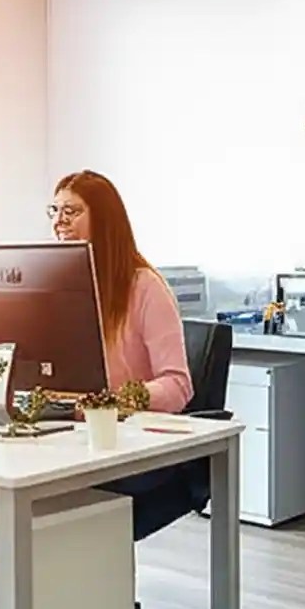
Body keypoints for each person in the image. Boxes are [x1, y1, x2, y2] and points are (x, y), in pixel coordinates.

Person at [50, 170, 195, 540]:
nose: (59, 221)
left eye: (71, 211)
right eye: (55, 211)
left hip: (129, 444)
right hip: (76, 436)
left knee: (55, 512)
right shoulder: (62, 286)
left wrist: (113, 402)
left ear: (103, 219)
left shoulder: (144, 287)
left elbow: (178, 385)